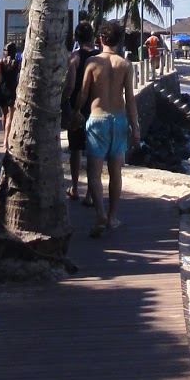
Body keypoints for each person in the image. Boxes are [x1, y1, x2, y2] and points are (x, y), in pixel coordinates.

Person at [76, 21, 140, 237]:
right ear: (120, 40)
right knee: (115, 172)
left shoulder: (92, 62)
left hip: (98, 119)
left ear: (101, 39)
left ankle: (100, 214)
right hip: (119, 120)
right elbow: (130, 99)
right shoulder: (125, 65)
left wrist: (75, 111)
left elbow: (83, 93)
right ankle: (112, 217)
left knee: (94, 173)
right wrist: (135, 127)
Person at [61, 21, 98, 203]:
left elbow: (69, 86)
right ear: (92, 37)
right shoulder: (100, 57)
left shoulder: (74, 57)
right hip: (96, 107)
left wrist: (63, 101)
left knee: (75, 150)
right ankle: (90, 193)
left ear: (76, 37)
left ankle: (75, 188)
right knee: (93, 152)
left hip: (78, 109)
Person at [0, 41, 21, 146]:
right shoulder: (17, 62)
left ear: (6, 52)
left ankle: (5, 135)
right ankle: (7, 139)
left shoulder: (0, 62)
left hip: (2, 90)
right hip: (13, 90)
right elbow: (20, 75)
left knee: (4, 114)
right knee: (10, 116)